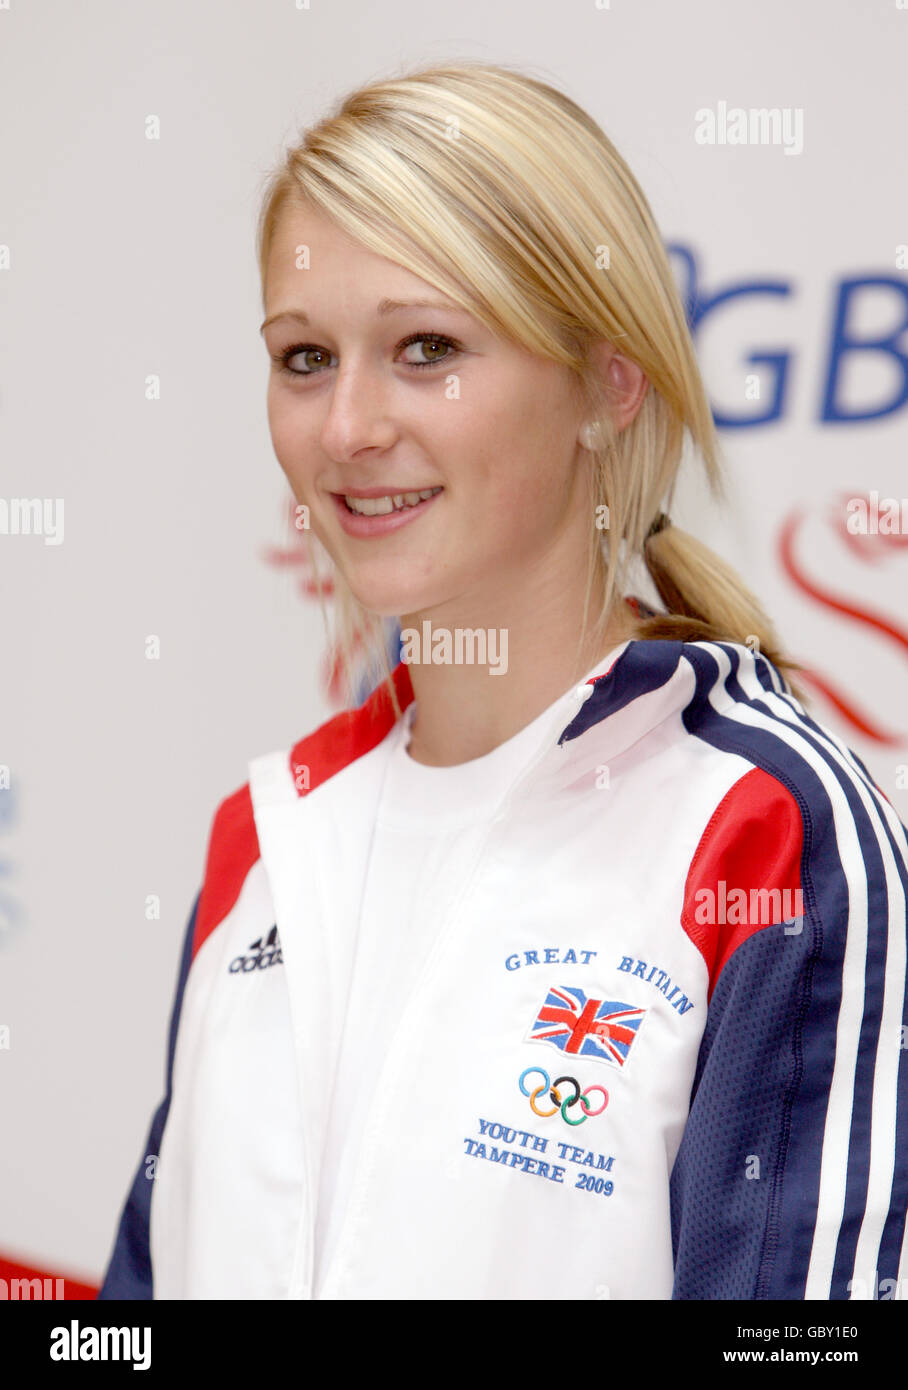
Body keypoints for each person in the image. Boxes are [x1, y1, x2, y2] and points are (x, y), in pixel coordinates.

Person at [98, 60, 908, 1301]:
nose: (346, 427)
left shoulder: (769, 836)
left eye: (426, 347)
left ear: (606, 382)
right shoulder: (262, 842)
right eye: (304, 357)